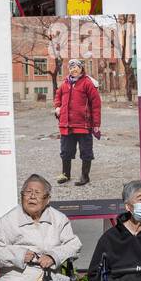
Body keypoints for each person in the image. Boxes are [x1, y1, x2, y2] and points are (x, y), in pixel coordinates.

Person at [53, 58, 101, 187]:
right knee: (65, 151)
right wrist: (57, 107)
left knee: (86, 152)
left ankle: (85, 176)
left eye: (76, 67)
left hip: (83, 125)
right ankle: (65, 174)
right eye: (71, 67)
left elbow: (96, 105)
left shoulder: (87, 83)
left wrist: (96, 124)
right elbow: (57, 96)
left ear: (81, 68)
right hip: (66, 125)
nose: (73, 69)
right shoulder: (64, 83)